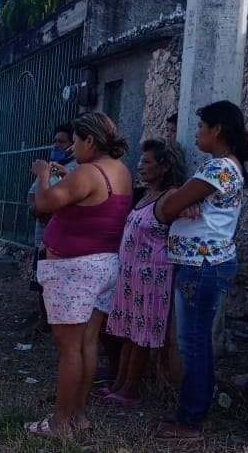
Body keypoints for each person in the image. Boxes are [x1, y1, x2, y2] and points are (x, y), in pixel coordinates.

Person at [154, 101, 248, 443]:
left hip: (202, 266)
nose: (196, 133)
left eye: (200, 127)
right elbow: (175, 206)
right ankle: (192, 413)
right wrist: (182, 199)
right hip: (207, 264)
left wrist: (176, 199)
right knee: (196, 343)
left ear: (218, 130)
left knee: (193, 344)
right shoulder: (223, 168)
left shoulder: (218, 170)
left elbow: (166, 210)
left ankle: (190, 422)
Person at [27, 112, 132, 438]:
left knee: (69, 348)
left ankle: (59, 423)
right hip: (104, 265)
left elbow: (44, 203)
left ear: (89, 140)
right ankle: (79, 416)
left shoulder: (87, 172)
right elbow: (94, 203)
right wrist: (65, 175)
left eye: (74, 141)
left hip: (74, 270)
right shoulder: (120, 170)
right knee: (87, 343)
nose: (71, 149)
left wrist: (44, 175)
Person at [103, 139, 185, 406]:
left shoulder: (170, 196)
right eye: (140, 160)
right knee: (128, 333)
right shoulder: (146, 195)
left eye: (147, 161)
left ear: (164, 167)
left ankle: (130, 390)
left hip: (152, 279)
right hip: (132, 277)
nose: (140, 166)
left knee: (141, 336)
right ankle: (120, 383)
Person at [27, 123, 77, 291]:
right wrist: (37, 208)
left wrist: (46, 208)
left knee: (56, 289)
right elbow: (32, 194)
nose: (56, 145)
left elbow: (68, 203)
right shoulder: (49, 167)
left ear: (73, 144)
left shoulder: (77, 170)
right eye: (55, 141)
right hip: (41, 238)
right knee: (41, 286)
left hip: (61, 242)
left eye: (61, 142)